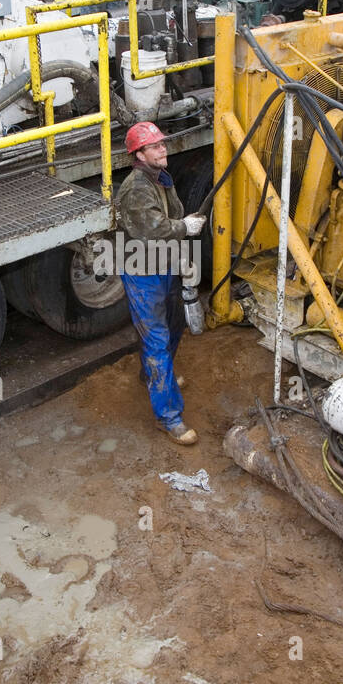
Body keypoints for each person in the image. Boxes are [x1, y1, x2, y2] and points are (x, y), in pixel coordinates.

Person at [115, 121, 206, 446]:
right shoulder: (137, 188)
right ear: (138, 155)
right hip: (142, 272)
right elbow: (155, 229)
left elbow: (170, 220)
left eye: (162, 143)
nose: (162, 148)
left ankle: (153, 377)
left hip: (163, 263)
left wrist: (182, 252)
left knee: (175, 322)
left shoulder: (160, 179)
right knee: (156, 338)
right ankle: (169, 418)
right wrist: (185, 227)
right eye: (154, 146)